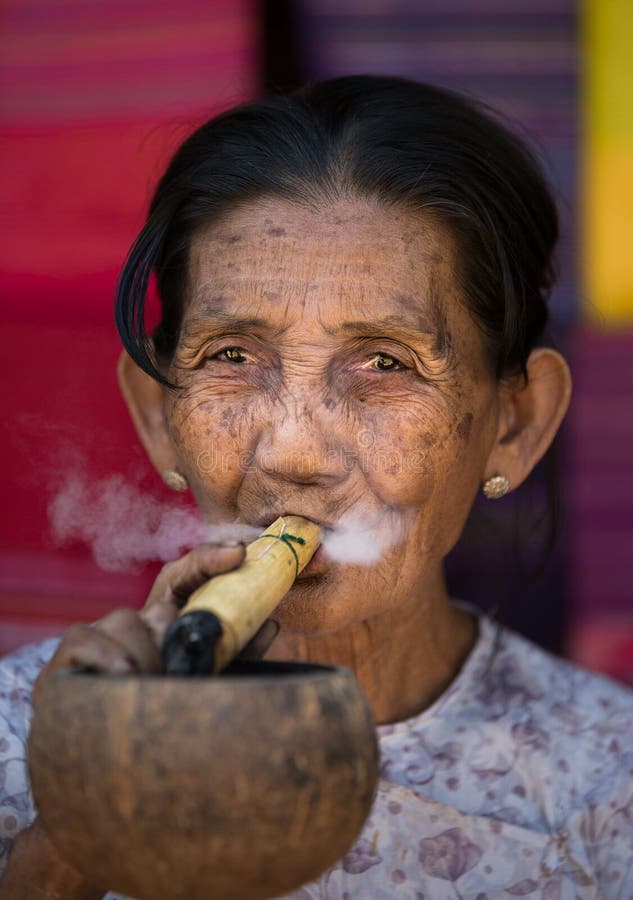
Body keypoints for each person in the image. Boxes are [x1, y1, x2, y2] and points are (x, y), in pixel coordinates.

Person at [1, 75, 632, 899]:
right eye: (232, 356)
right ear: (160, 417)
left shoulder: (605, 786)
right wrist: (81, 830)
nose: (294, 450)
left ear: (512, 423)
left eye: (384, 364)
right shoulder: (23, 737)